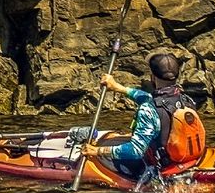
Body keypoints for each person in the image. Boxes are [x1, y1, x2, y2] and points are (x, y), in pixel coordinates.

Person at [80, 52, 204, 184]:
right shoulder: (186, 100)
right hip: (186, 160)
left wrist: (97, 151)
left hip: (162, 170)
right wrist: (118, 88)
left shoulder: (148, 109)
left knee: (103, 155)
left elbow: (135, 151)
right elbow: (149, 98)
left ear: (152, 77)